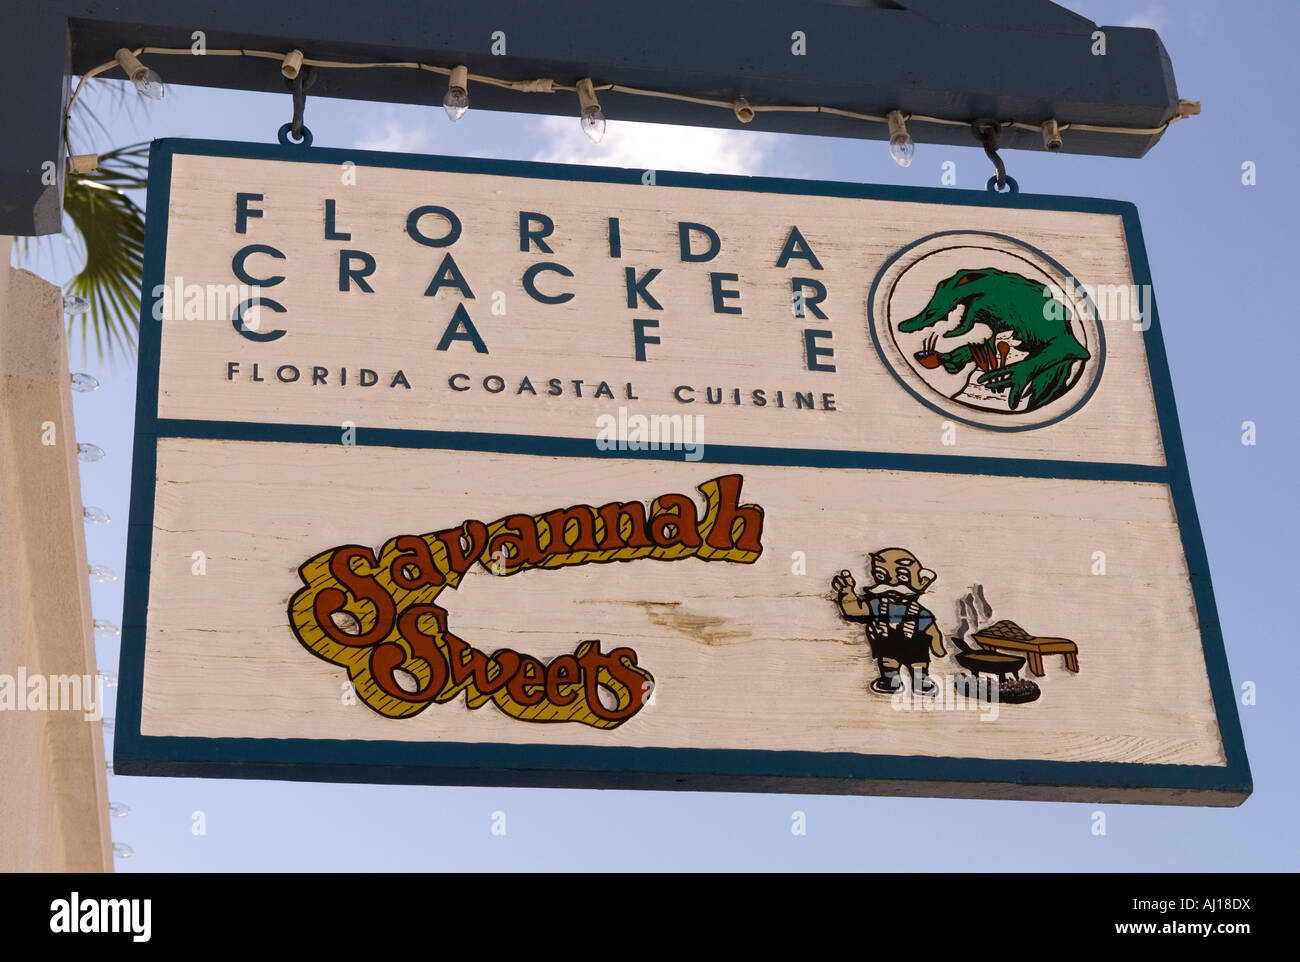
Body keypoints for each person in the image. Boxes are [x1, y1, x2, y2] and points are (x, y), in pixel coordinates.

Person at [832, 547, 946, 696]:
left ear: (920, 582)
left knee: (918, 664)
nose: (892, 582)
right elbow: (854, 610)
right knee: (888, 662)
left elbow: (932, 630)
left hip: (916, 646)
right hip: (887, 645)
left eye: (903, 577)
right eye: (882, 576)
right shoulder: (877, 605)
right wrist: (847, 593)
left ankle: (921, 683)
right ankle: (891, 682)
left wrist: (938, 648)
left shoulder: (919, 612)